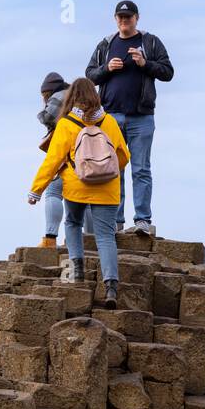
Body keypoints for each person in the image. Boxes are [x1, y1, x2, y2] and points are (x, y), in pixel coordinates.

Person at [28, 77, 130, 308]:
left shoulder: (66, 124)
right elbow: (124, 155)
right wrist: (105, 171)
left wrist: (36, 190)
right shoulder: (110, 122)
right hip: (107, 189)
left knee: (73, 222)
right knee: (105, 236)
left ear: (72, 97)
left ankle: (75, 272)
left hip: (76, 186)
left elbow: (52, 161)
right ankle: (111, 287)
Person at [84, 0, 173, 235]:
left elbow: (168, 72)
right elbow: (89, 76)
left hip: (142, 117)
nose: (125, 21)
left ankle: (142, 220)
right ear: (115, 19)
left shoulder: (150, 42)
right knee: (113, 169)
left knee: (141, 169)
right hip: (110, 117)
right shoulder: (106, 44)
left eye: (129, 17)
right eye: (121, 17)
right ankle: (116, 221)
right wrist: (106, 69)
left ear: (137, 18)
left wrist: (145, 64)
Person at [36, 71, 69, 248]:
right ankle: (88, 238)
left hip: (65, 151)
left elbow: (48, 117)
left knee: (53, 191)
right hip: (88, 153)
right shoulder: (79, 95)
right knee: (85, 199)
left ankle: (50, 237)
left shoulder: (59, 96)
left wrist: (40, 115)